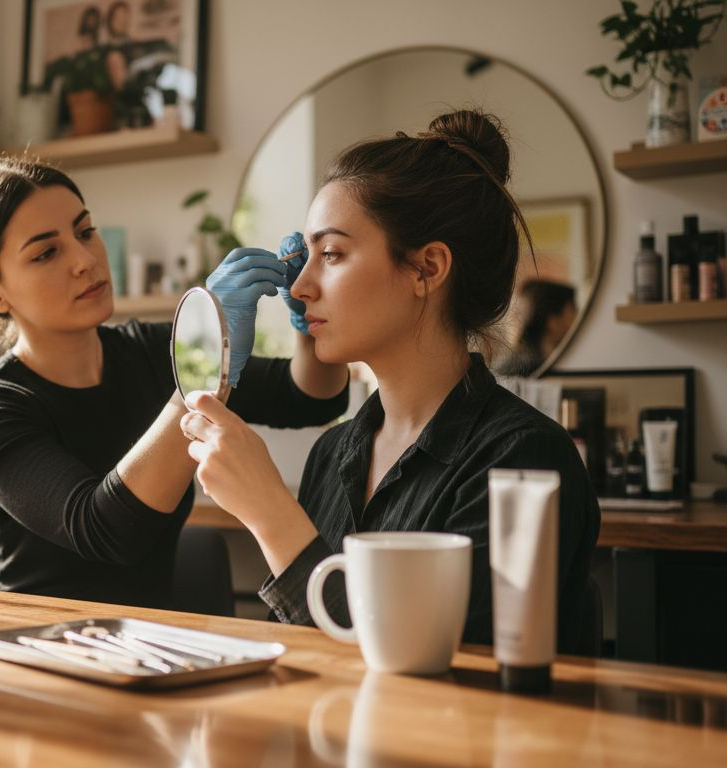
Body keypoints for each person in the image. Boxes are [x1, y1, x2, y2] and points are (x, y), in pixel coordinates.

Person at [178, 110, 600, 653]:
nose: (301, 286)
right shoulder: (333, 453)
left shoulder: (524, 460)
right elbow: (310, 658)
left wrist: (270, 513)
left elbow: (438, 677)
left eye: (330, 254)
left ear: (427, 268)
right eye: (306, 257)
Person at [0, 156, 349, 609]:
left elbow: (309, 398)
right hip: (33, 647)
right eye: (45, 253)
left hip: (147, 646)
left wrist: (306, 319)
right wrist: (203, 367)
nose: (84, 260)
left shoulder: (149, 351)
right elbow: (107, 530)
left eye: (84, 232)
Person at [493, 279, 578, 377]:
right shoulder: (536, 372)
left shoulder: (511, 367)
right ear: (552, 322)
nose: (576, 321)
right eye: (573, 312)